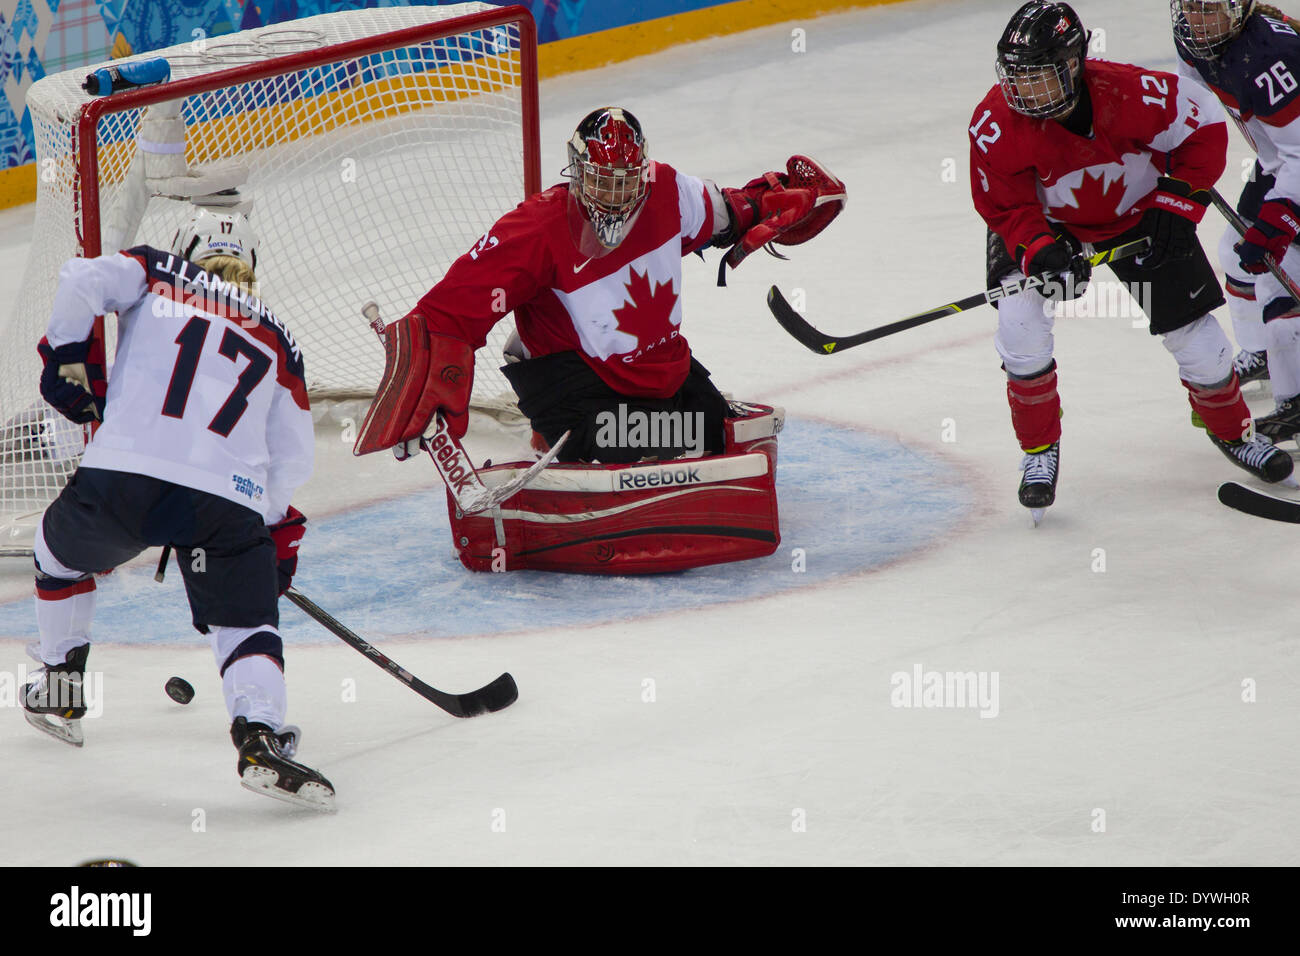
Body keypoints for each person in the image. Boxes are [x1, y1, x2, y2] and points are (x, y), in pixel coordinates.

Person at [21, 209, 333, 811]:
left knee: (56, 558)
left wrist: (64, 358)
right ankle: (258, 736)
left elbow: (82, 279)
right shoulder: (279, 336)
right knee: (247, 625)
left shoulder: (155, 268)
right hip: (224, 501)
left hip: (124, 477)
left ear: (184, 248)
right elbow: (291, 458)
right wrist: (271, 535)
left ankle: (60, 686)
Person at [351, 106, 844, 465]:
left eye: (626, 182)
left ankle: (628, 435)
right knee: (644, 448)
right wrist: (430, 366)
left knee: (711, 438)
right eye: (602, 181)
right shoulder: (536, 229)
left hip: (656, 368)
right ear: (577, 169)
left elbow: (729, 211)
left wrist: (774, 205)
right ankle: (556, 436)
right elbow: (449, 311)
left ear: (643, 172)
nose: (614, 197)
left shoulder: (669, 190)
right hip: (574, 379)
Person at [969, 1, 1294, 525]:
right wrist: (1040, 249)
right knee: (1020, 324)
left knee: (1204, 346)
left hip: (1142, 216)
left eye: (1037, 78)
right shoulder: (994, 123)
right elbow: (1005, 205)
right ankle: (1038, 453)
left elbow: (1206, 125)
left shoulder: (1133, 92)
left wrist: (1178, 202)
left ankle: (1235, 433)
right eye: (1016, 79)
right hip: (1049, 228)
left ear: (1072, 64)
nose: (1022, 93)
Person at [1172, 0, 1300, 443]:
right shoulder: (1192, 44)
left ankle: (1294, 400)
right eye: (1189, 7)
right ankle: (1269, 358)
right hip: (1277, 162)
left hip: (1293, 163)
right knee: (1238, 254)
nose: (1197, 19)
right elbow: (1187, 111)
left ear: (1236, 9)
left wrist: (1280, 219)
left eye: (1208, 9)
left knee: (1278, 281)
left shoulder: (1270, 56)